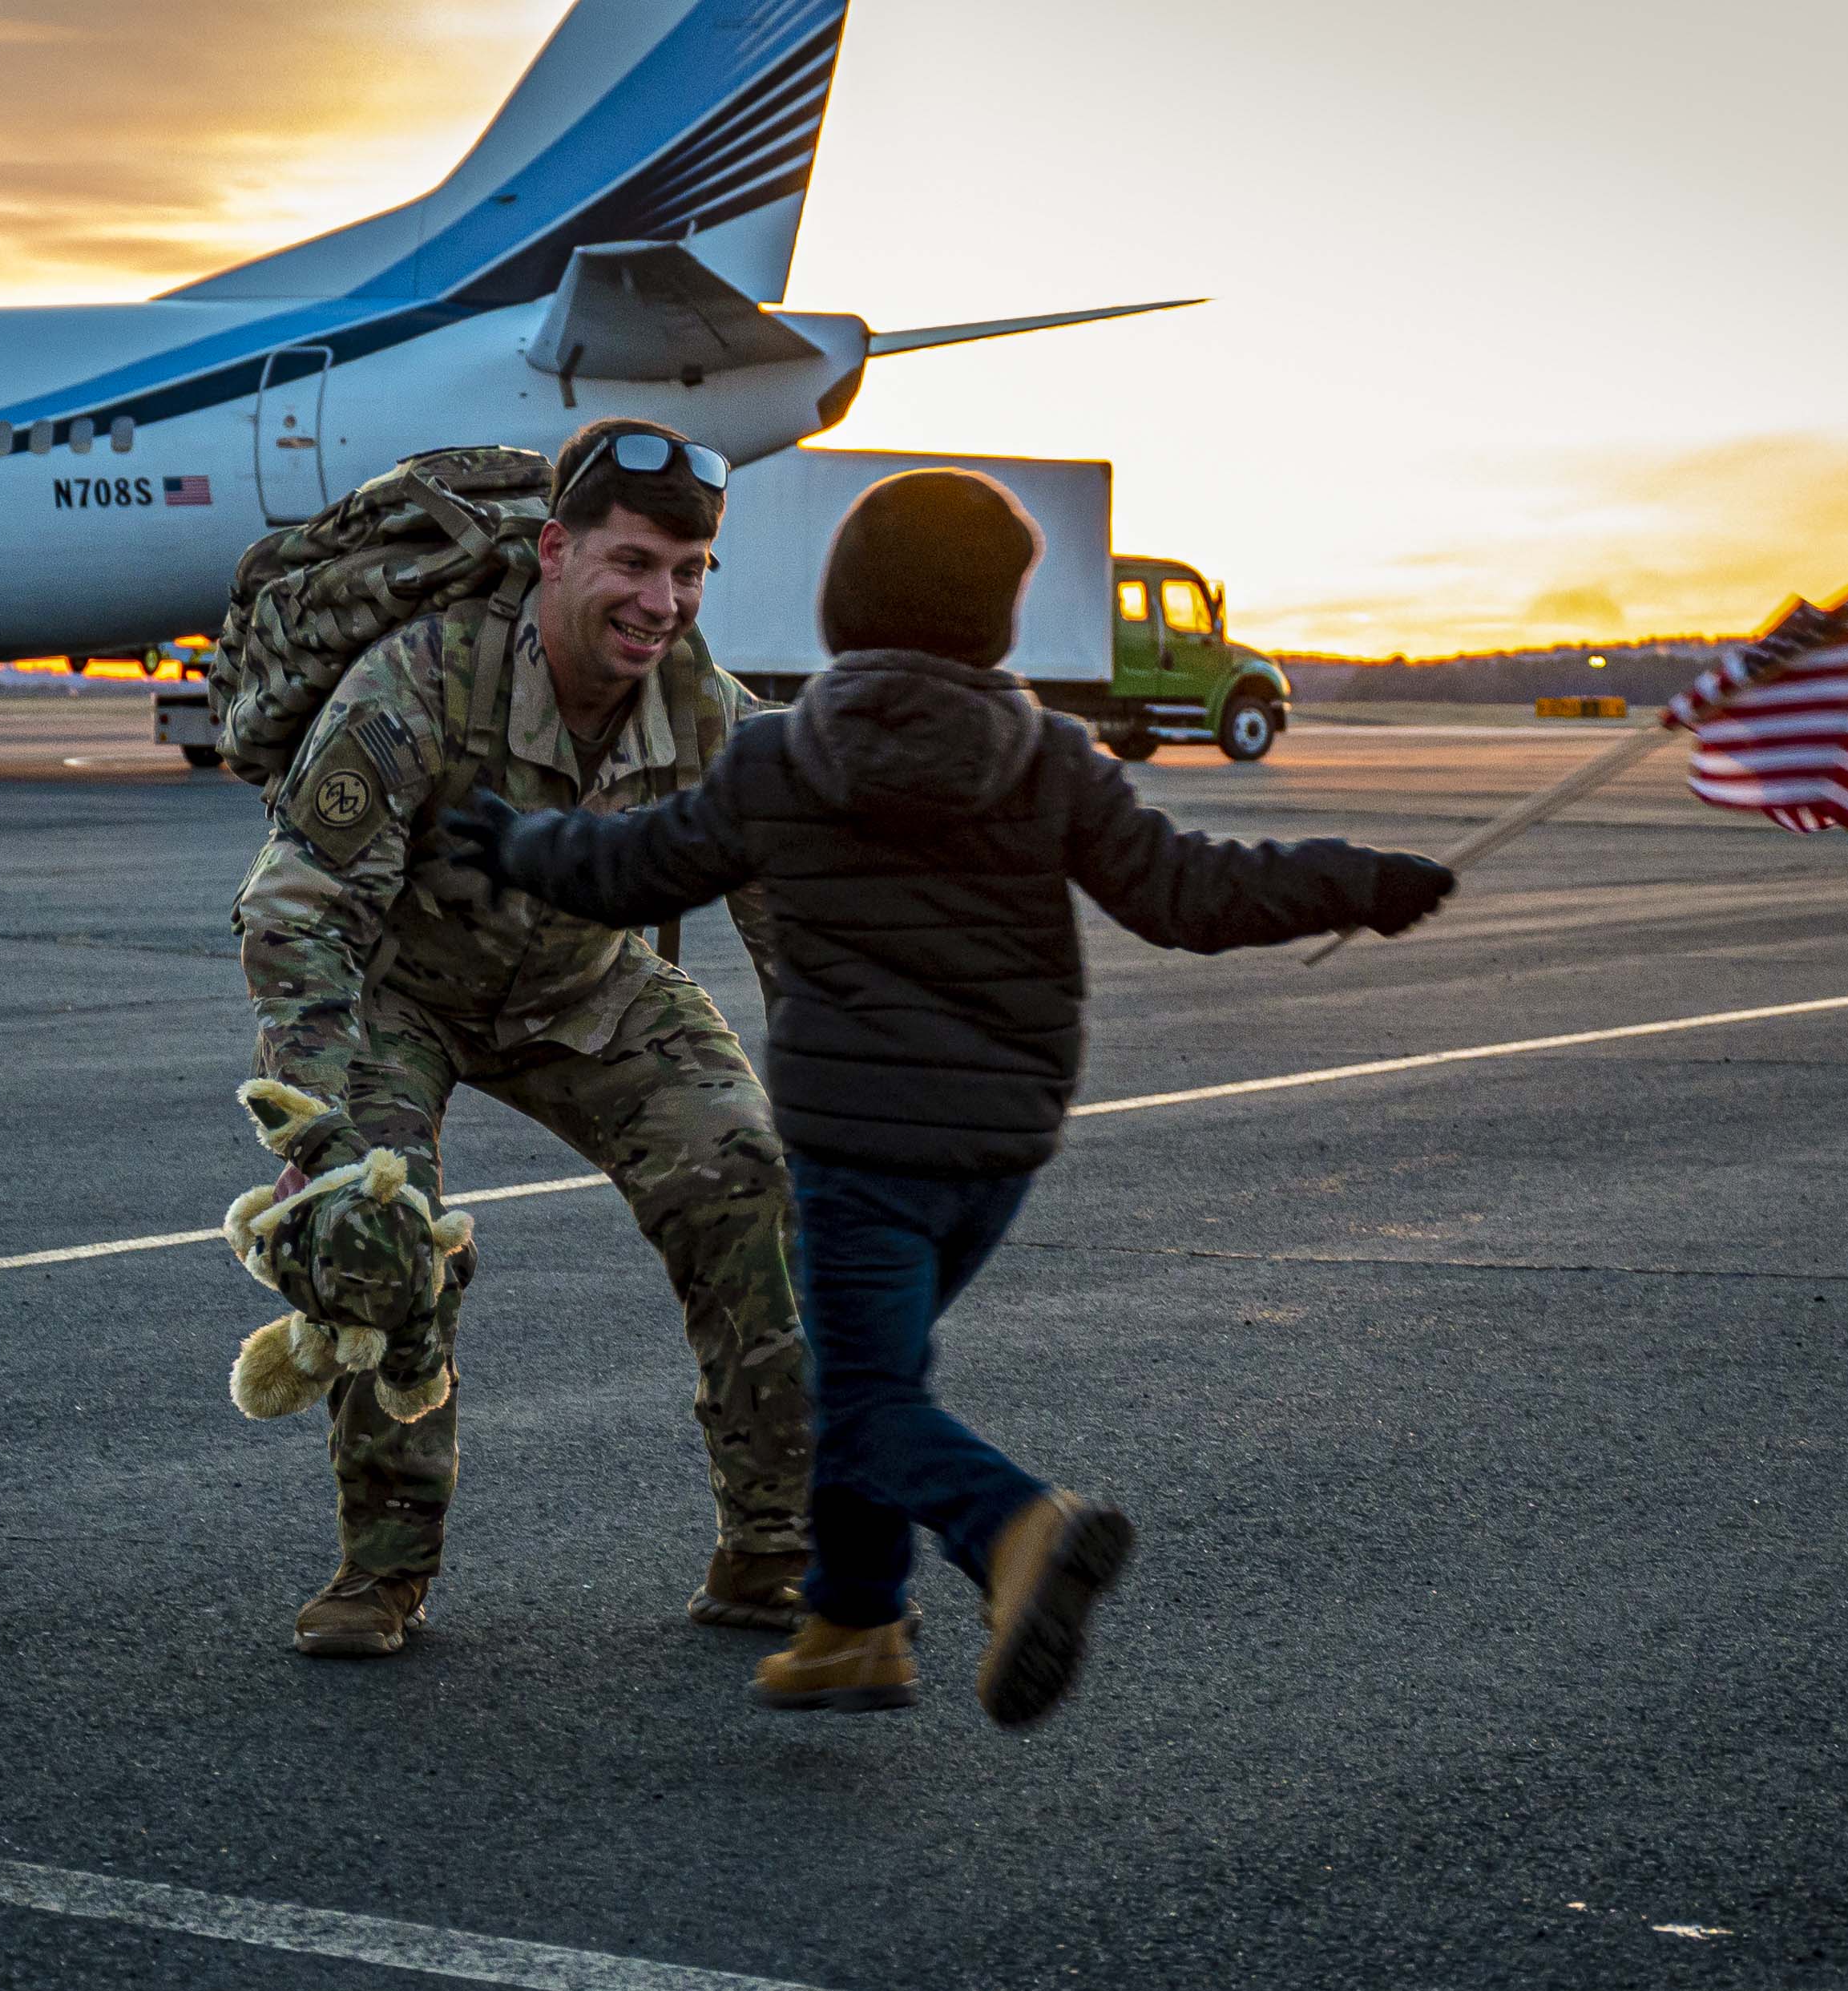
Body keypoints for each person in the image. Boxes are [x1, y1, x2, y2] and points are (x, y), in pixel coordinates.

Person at [446, 468, 1455, 1726]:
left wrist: (514, 841)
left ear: (841, 607)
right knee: (878, 1379)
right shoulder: (1050, 758)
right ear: (1001, 621)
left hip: (858, 1148)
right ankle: (854, 1624)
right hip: (999, 1148)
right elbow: (1192, 894)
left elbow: (635, 867)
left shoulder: (783, 754)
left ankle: (1019, 1529)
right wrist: (1357, 878)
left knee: (856, 1399)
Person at [232, 418, 813, 1658]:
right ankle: (381, 1571)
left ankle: (772, 1547)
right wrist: (317, 1132)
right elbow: (297, 912)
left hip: (587, 988)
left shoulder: (704, 708)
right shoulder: (422, 678)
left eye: (690, 571)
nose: (663, 602)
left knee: (746, 1175)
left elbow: (792, 919)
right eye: (635, 564)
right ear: (556, 551)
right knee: (380, 1228)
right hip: (405, 994)